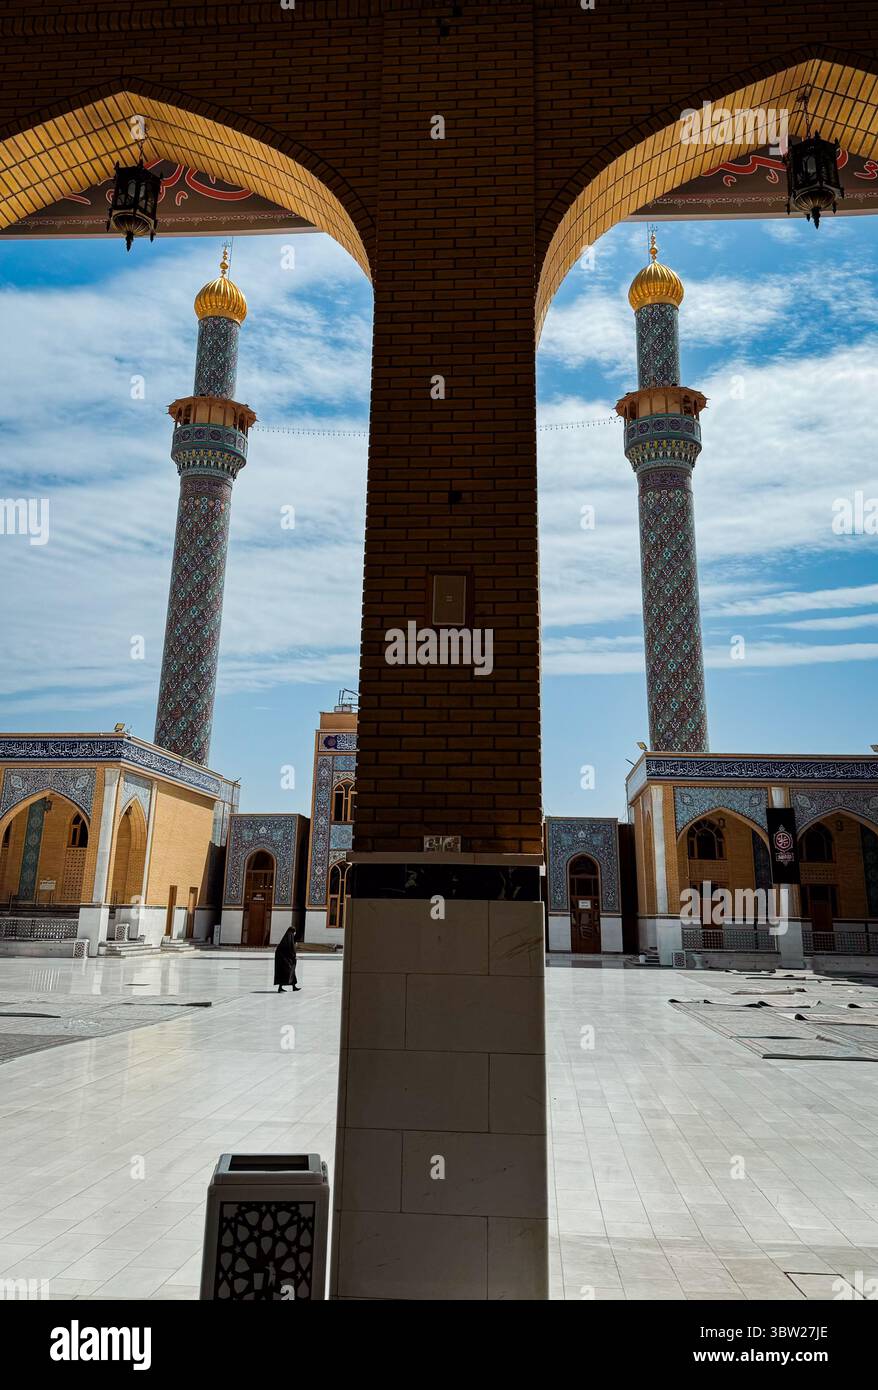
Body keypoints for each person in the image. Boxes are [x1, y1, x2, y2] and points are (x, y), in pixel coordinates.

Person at [274, 926, 301, 993]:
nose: (294, 934)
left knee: (290, 972)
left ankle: (293, 986)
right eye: (294, 932)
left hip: (285, 959)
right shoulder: (289, 937)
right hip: (284, 960)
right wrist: (294, 956)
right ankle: (281, 988)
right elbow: (290, 949)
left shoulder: (286, 938)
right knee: (286, 972)